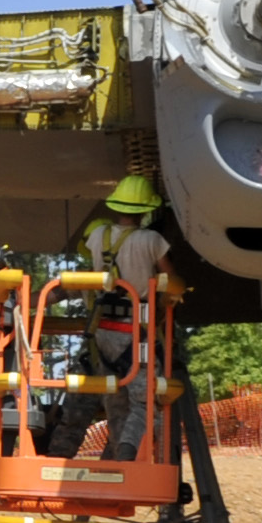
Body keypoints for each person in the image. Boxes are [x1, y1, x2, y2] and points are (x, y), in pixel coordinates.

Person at [80, 174, 174, 461]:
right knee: (145, 403)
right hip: (136, 329)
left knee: (115, 401)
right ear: (145, 210)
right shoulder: (152, 240)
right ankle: (129, 453)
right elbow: (168, 277)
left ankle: (120, 462)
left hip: (102, 331)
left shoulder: (98, 236)